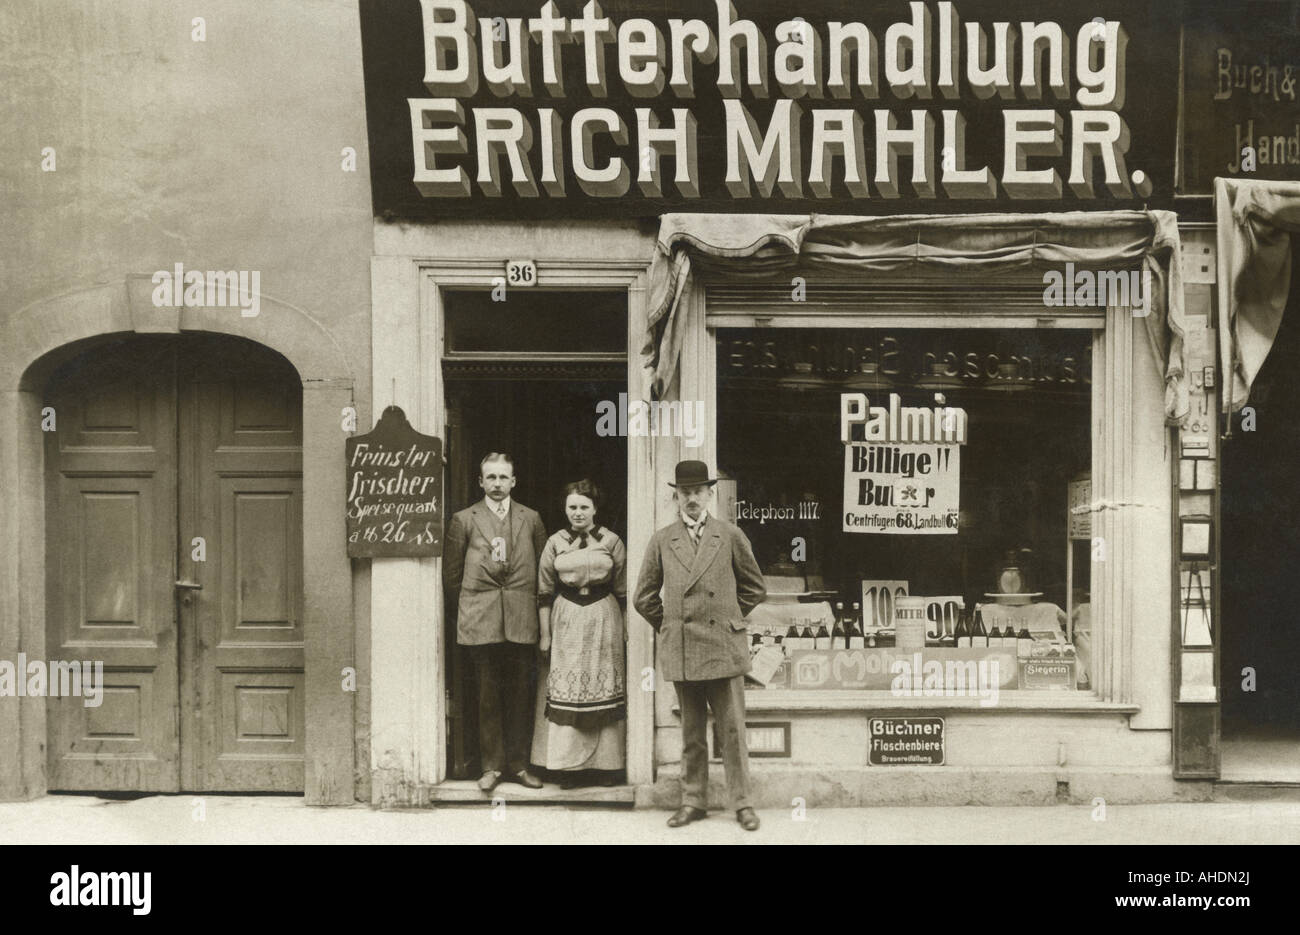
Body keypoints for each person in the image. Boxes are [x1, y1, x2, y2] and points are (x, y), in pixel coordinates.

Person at [633, 460, 767, 831]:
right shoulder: (662, 539)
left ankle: (742, 803)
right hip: (684, 649)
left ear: (711, 494)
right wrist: (672, 626)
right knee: (691, 734)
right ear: (676, 496)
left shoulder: (730, 535)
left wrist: (728, 619)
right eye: (684, 492)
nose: (692, 498)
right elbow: (643, 597)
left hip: (723, 647)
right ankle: (693, 801)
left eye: (698, 492)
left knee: (733, 731)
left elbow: (755, 587)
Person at [443, 452, 547, 792]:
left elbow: (544, 574)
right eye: (491, 478)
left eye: (504, 478)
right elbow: (452, 577)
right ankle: (491, 766)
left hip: (520, 617)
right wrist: (471, 611)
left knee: (520, 693)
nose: (498, 484)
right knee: (486, 694)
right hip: (480, 618)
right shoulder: (464, 519)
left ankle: (518, 765)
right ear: (481, 481)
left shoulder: (531, 519)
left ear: (513, 481)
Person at [531, 480, 627, 787]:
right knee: (568, 690)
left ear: (595, 509)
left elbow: (623, 589)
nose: (578, 513)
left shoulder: (611, 541)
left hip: (603, 615)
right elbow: (544, 591)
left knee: (603, 686)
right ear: (565, 509)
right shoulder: (555, 542)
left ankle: (605, 767)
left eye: (584, 507)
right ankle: (569, 768)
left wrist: (625, 630)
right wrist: (545, 635)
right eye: (572, 507)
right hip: (566, 617)